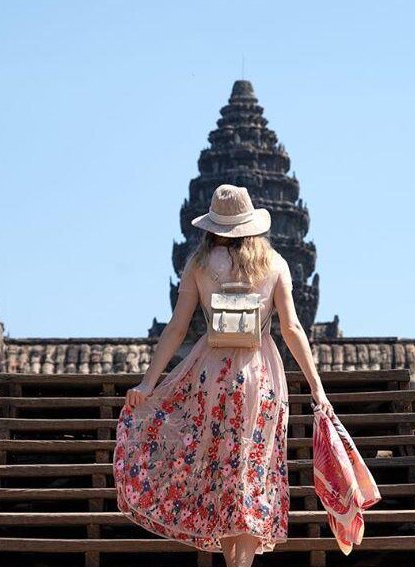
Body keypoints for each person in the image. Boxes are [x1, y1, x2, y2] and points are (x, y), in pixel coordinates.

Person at [114, 184, 334, 567]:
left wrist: (148, 384)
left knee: (223, 472)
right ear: (251, 225)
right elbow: (292, 329)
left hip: (211, 378)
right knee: (250, 472)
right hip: (260, 378)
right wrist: (317, 389)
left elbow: (177, 329)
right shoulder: (274, 264)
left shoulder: (199, 266)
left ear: (212, 227)